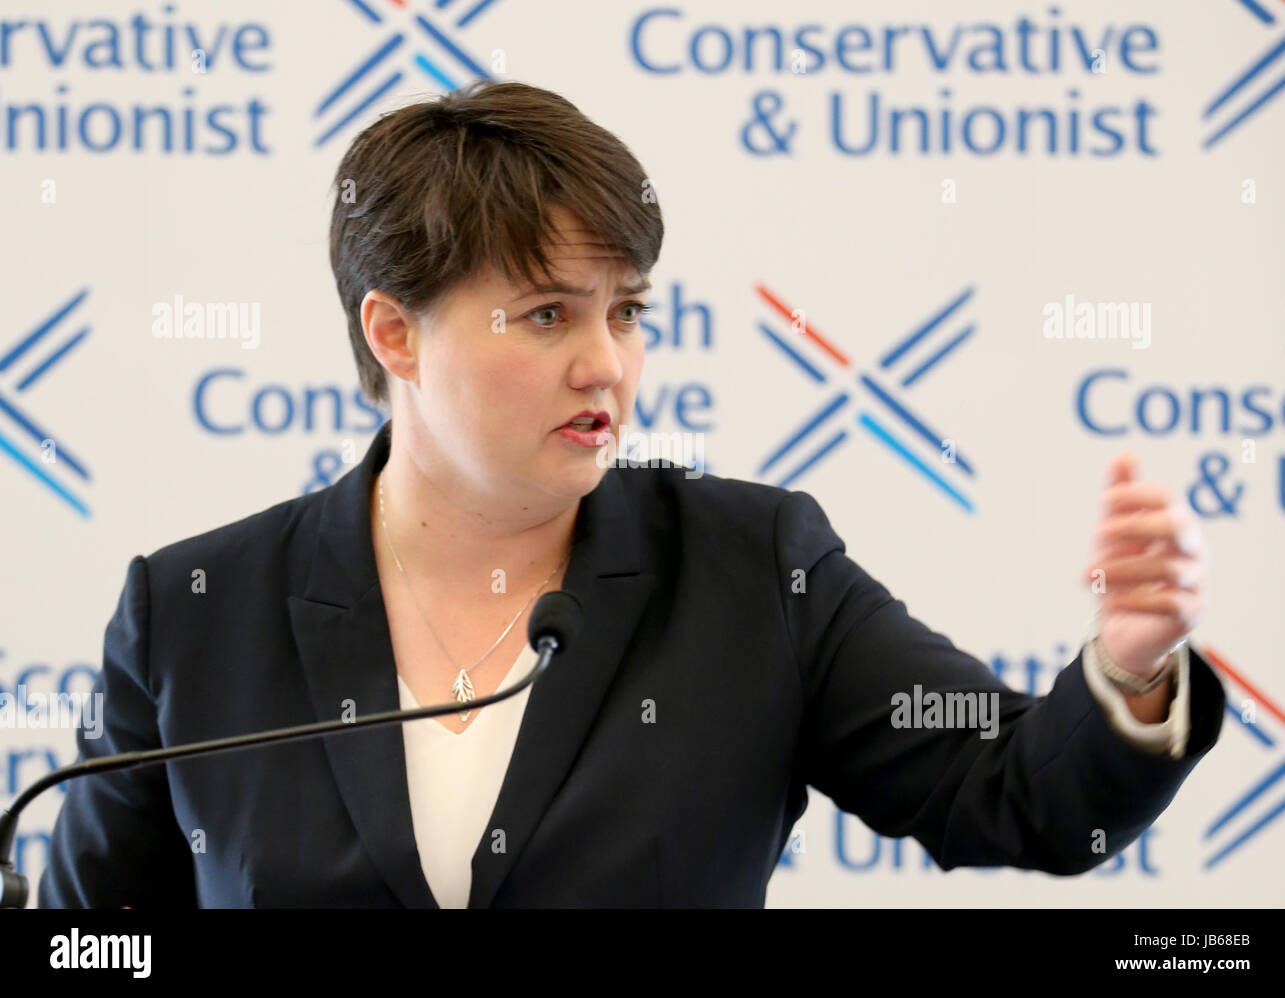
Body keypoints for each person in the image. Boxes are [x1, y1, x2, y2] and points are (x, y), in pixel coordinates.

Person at [38, 80, 1225, 908]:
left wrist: (1125, 673)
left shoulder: (755, 570)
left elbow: (1016, 794)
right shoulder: (193, 610)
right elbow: (97, 945)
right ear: (395, 332)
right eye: (549, 311)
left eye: (627, 310)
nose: (605, 360)